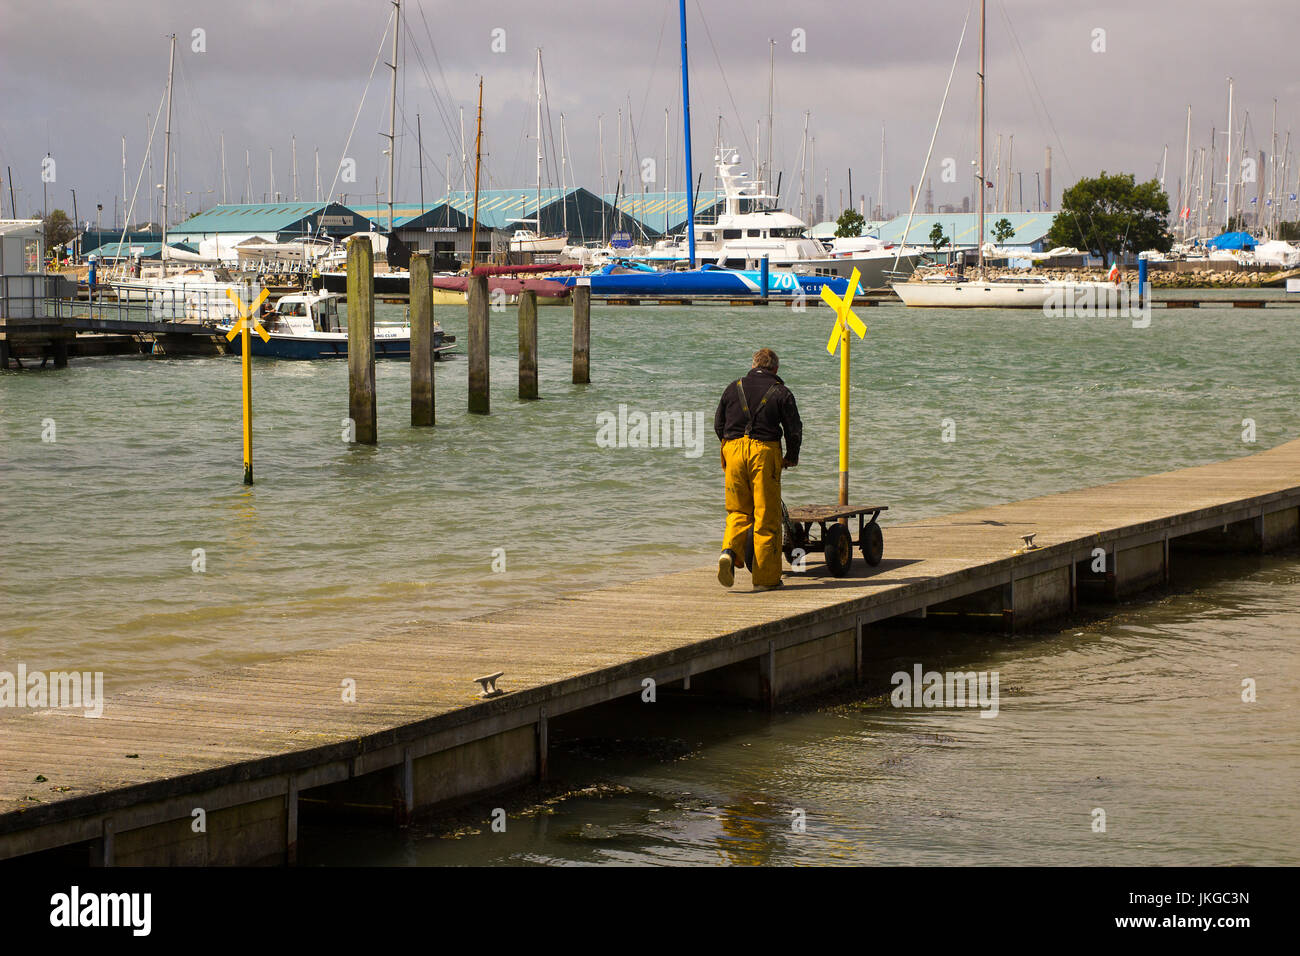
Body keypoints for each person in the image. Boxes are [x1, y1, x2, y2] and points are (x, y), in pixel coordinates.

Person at [714, 348, 802, 591]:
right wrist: (791, 456)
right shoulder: (781, 392)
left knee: (737, 510)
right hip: (764, 452)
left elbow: (718, 424)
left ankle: (729, 552)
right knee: (766, 517)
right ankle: (765, 580)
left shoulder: (733, 387)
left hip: (732, 449)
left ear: (753, 365)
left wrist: (731, 447)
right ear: (775, 369)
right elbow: (794, 429)